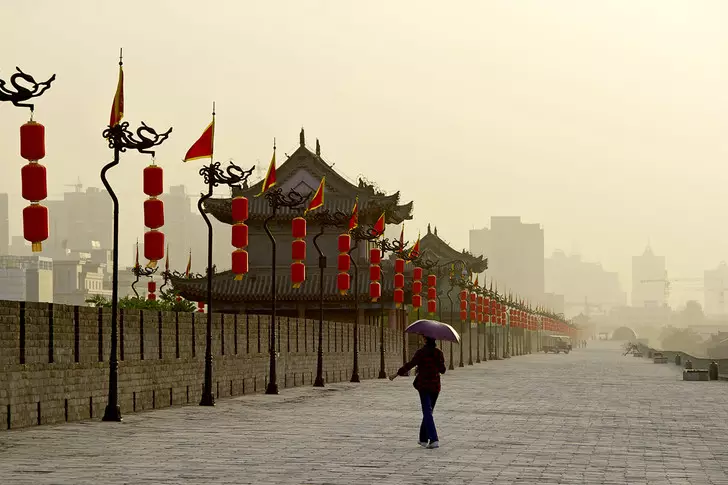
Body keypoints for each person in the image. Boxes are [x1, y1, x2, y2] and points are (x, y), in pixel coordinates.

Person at [395, 336, 446, 449]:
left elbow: (411, 364)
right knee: (428, 411)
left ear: (425, 340)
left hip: (423, 385)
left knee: (427, 412)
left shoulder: (421, 352)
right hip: (435, 386)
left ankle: (434, 439)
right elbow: (443, 370)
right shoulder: (439, 353)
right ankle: (423, 439)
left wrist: (399, 372)